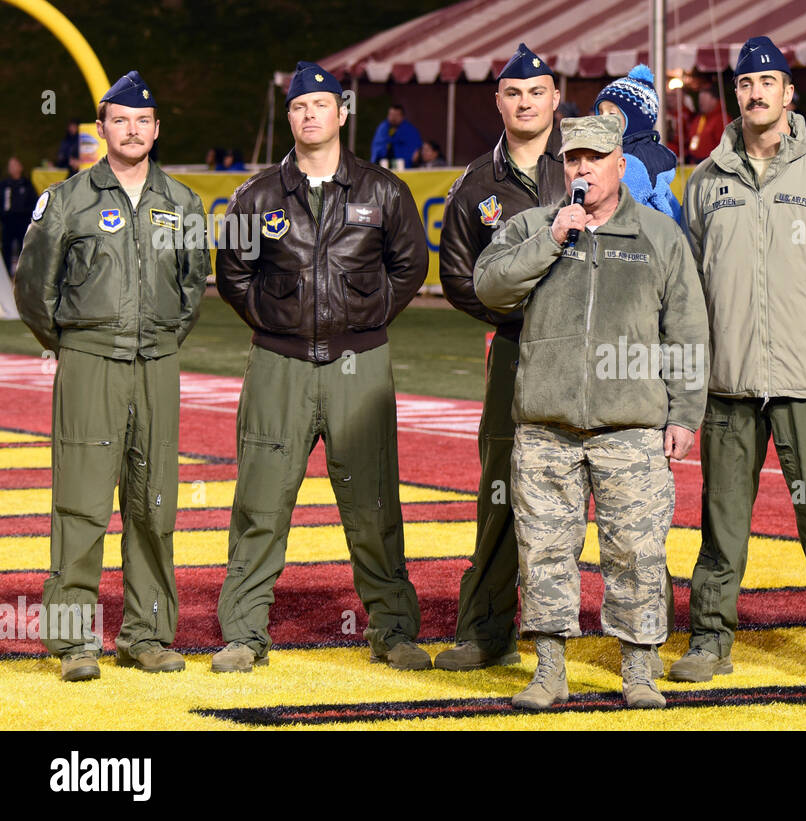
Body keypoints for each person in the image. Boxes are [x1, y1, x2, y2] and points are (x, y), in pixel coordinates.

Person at [473, 114, 708, 710]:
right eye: (572, 158)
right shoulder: (533, 225)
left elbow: (685, 330)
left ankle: (639, 670)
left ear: (619, 166)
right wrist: (551, 239)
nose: (581, 168)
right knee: (545, 550)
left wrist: (685, 414)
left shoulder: (659, 235)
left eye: (594, 158)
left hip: (631, 428)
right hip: (546, 426)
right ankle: (549, 671)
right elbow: (490, 287)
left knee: (637, 551)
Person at [212, 61, 430, 673]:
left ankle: (392, 628)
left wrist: (368, 315)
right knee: (261, 501)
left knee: (375, 505)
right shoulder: (258, 194)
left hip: (359, 366)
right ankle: (245, 632)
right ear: (290, 118)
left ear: (342, 111)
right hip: (278, 367)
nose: (310, 115)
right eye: (299, 108)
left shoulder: (383, 190)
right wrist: (273, 318)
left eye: (320, 105)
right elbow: (233, 273)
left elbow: (410, 266)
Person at [674, 36, 806, 687]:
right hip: (728, 383)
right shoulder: (705, 181)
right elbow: (690, 284)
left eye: (769, 81)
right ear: (735, 94)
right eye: (745, 83)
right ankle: (709, 637)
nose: (756, 92)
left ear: (791, 93)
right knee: (721, 523)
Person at [14, 71, 209, 681]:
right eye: (119, 120)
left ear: (157, 129)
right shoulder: (66, 200)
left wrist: (155, 341)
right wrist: (77, 344)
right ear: (100, 130)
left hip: (158, 364)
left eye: (143, 121)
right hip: (90, 361)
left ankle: (146, 634)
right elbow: (32, 291)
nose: (132, 130)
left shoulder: (184, 204)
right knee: (81, 502)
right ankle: (74, 643)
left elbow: (192, 289)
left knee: (155, 503)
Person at [435, 44, 567, 673]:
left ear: (555, 97)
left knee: (617, 487)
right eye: (513, 93)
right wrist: (510, 313)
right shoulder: (476, 185)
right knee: (501, 490)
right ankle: (487, 630)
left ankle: (633, 633)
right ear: (499, 101)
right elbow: (456, 274)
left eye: (536, 91)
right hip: (514, 353)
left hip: (592, 358)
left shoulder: (586, 165)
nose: (525, 102)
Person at [595, 64, 681, 220]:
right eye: (600, 112)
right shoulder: (645, 151)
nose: (603, 118)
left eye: (611, 113)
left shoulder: (634, 161)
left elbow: (617, 210)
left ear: (635, 119)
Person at [1, 157, 37, 272]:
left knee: (24, 247)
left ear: (20, 167)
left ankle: (25, 273)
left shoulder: (26, 184)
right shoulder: (5, 185)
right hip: (8, 220)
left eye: (15, 165)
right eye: (10, 165)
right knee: (7, 248)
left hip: (23, 220)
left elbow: (34, 202)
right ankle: (7, 274)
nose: (12, 168)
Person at [369, 103, 421, 168]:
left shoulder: (409, 129)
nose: (393, 118)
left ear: (402, 116)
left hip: (403, 163)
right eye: (391, 115)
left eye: (396, 115)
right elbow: (377, 145)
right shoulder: (383, 127)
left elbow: (416, 147)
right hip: (384, 162)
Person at [685, 86, 725, 164]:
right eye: (700, 100)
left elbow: (724, 147)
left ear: (714, 101)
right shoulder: (699, 118)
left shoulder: (721, 119)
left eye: (704, 100)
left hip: (710, 165)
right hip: (695, 162)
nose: (701, 103)